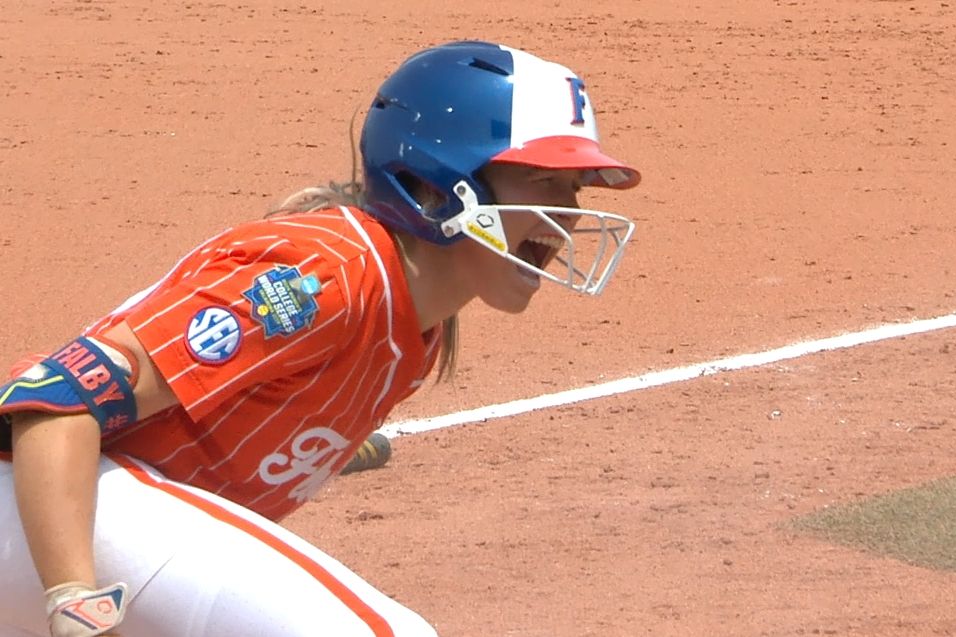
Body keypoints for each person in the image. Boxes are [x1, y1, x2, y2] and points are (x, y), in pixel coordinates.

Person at [0, 40, 640, 637]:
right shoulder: (322, 279)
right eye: (545, 181)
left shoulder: (420, 328)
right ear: (435, 184)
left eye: (574, 188)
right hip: (48, 510)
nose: (571, 212)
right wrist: (72, 595)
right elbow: (53, 397)